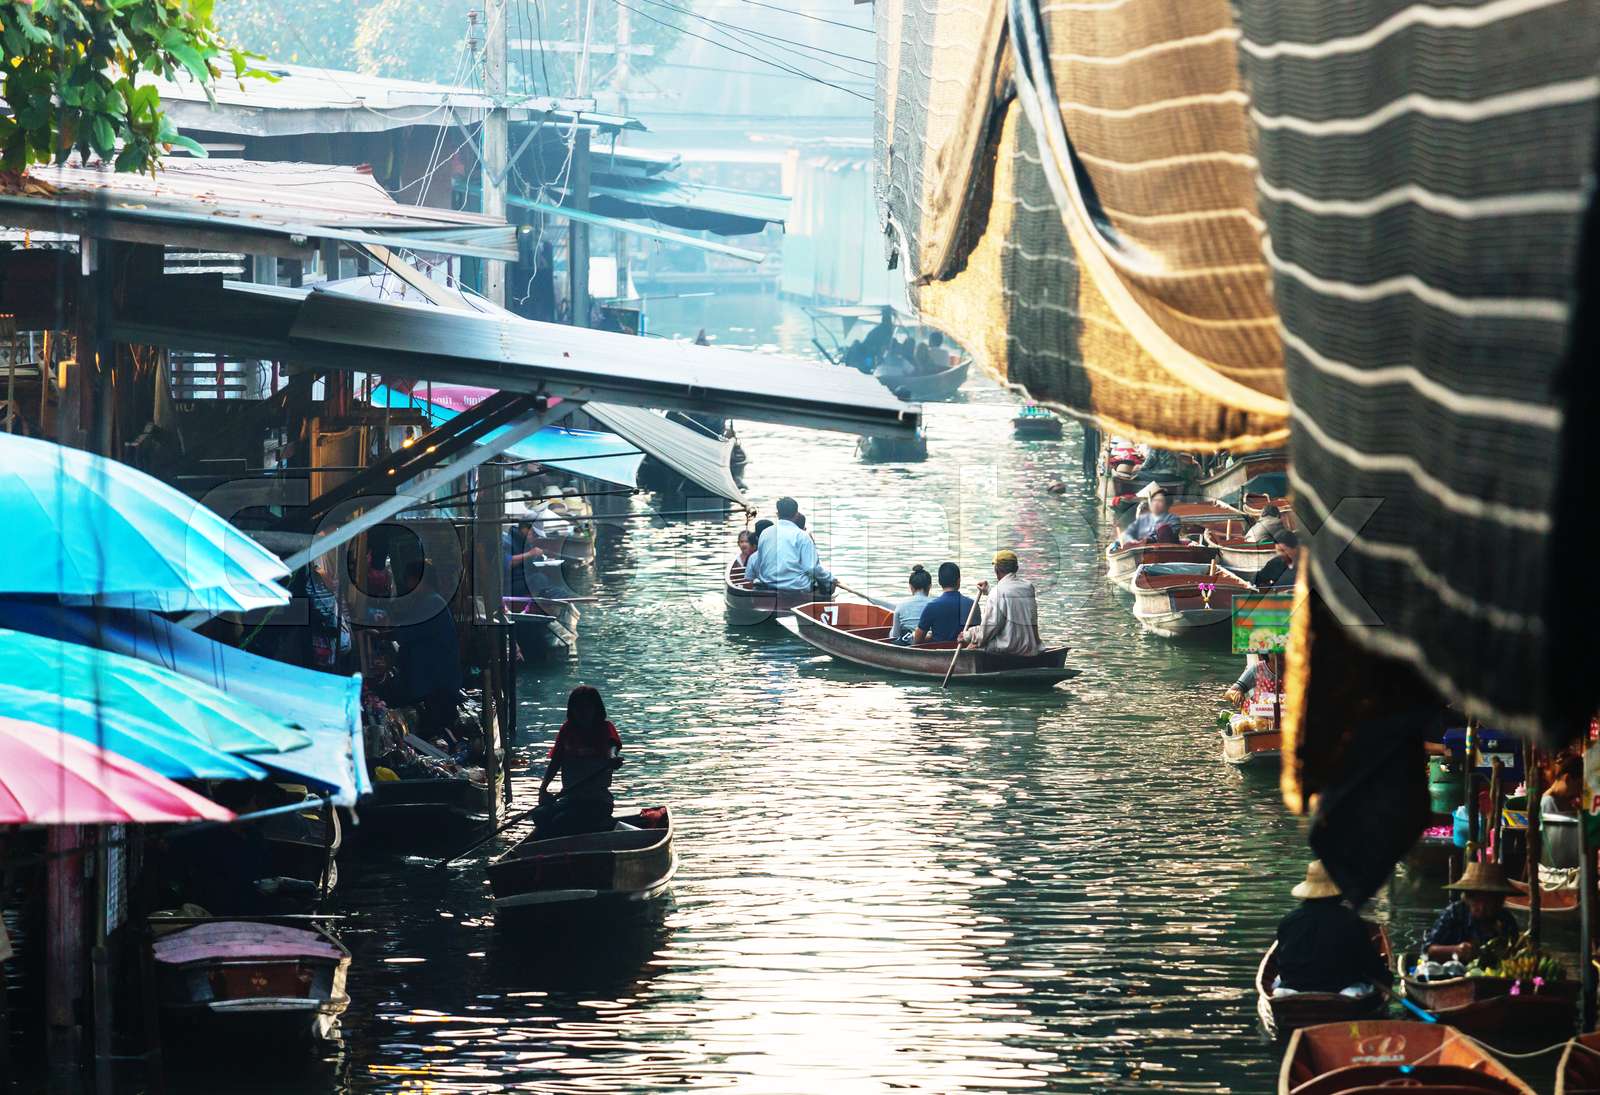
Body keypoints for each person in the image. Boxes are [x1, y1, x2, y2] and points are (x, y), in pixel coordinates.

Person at [1273, 861, 1390, 996]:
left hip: (1293, 987)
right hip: (1340, 989)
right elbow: (1369, 962)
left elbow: (1281, 961)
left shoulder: (1289, 920)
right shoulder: (1351, 920)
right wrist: (1386, 977)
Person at [385, 561, 463, 738]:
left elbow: (407, 633)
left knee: (437, 728)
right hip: (436, 681)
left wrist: (387, 632)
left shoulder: (431, 603)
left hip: (437, 683)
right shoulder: (430, 602)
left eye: (409, 581)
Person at [535, 685, 623, 839]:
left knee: (560, 821)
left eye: (587, 707)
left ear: (596, 709)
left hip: (598, 801)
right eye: (578, 708)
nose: (582, 713)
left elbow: (612, 749)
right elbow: (555, 761)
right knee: (539, 815)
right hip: (571, 798)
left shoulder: (605, 728)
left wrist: (612, 759)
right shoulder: (567, 730)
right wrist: (543, 789)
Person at [1424, 861, 1520, 960]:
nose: (1482, 908)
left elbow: (1515, 952)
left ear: (1498, 902)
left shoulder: (1506, 920)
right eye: (1477, 901)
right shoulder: (1454, 913)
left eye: (1488, 902)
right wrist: (1456, 949)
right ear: (1468, 899)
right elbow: (1429, 950)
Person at [744, 498, 834, 594]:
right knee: (825, 583)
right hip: (797, 588)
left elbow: (760, 563)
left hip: (768, 586)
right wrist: (830, 579)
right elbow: (812, 568)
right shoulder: (802, 535)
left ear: (777, 514)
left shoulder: (765, 533)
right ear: (796, 514)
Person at [963, 549, 1043, 656]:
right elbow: (1010, 599)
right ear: (1016, 569)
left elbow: (987, 630)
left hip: (1009, 650)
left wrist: (967, 635)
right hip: (1029, 648)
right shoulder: (1028, 587)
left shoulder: (997, 592)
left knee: (973, 645)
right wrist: (989, 591)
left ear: (996, 570)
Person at [914, 562, 975, 644]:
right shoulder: (972, 605)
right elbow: (977, 634)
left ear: (939, 582)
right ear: (959, 581)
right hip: (964, 650)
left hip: (937, 652)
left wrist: (930, 637)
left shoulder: (932, 606)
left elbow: (918, 640)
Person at [1115, 488, 1180, 547]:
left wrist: (1149, 540)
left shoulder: (1173, 519)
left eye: (1160, 501)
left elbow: (1168, 537)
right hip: (1142, 549)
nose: (1156, 503)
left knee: (1163, 529)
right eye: (1154, 500)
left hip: (1164, 549)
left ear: (1167, 505)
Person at [889, 564, 933, 644]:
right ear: (929, 586)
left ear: (911, 587)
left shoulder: (900, 606)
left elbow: (894, 636)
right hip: (929, 645)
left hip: (908, 645)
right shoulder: (935, 605)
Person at [503, 520, 546, 597]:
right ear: (524, 529)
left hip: (524, 579)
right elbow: (507, 562)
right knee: (539, 579)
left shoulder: (524, 542)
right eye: (534, 534)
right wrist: (530, 554)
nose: (535, 537)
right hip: (511, 583)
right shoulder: (507, 541)